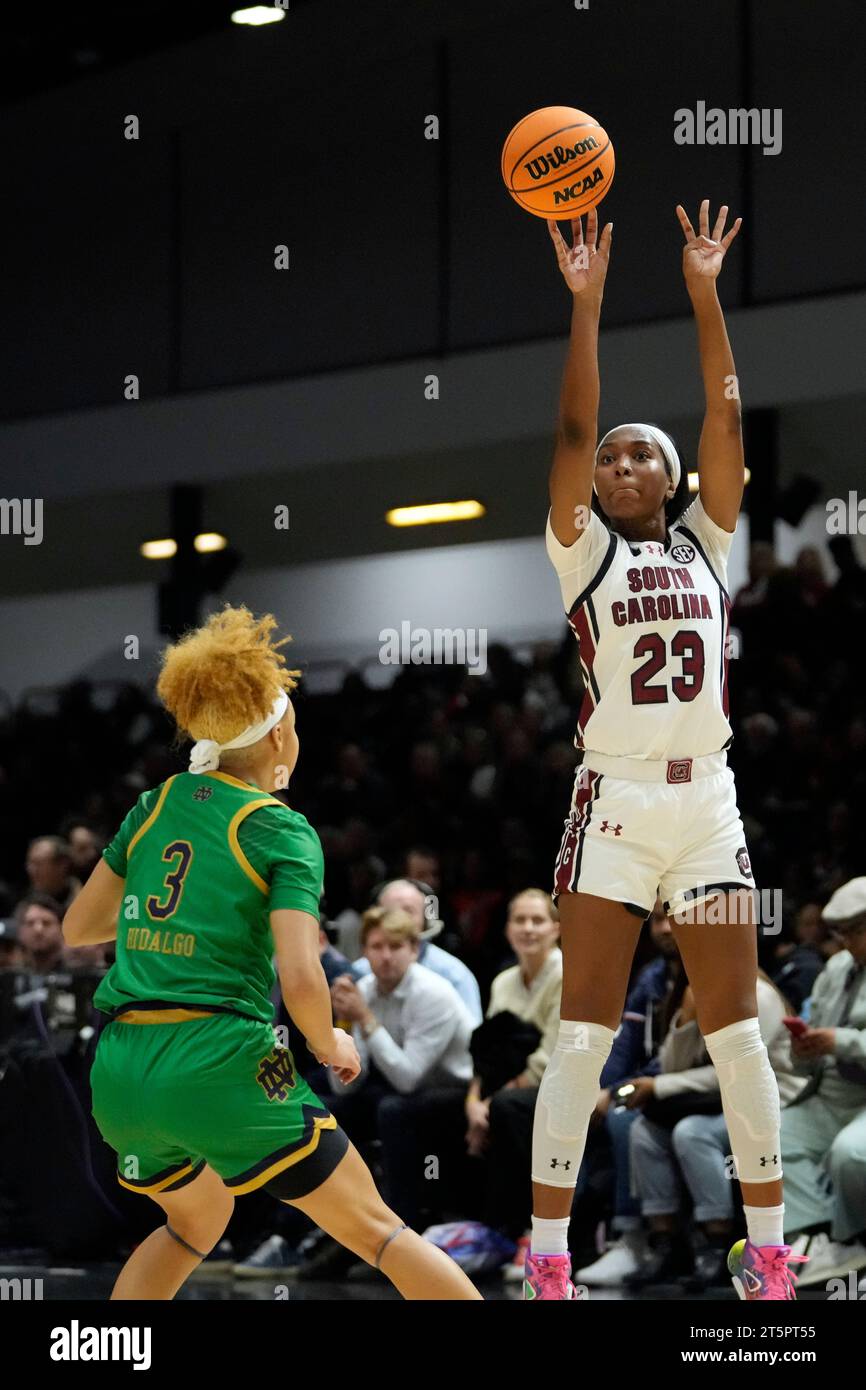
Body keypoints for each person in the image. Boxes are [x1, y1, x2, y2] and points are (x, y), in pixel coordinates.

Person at [526, 200, 807, 1301]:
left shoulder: (705, 543)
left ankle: (770, 1254)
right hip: (616, 803)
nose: (621, 460)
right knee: (583, 1038)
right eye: (610, 456)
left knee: (737, 1037)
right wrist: (586, 305)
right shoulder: (577, 551)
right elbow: (564, 428)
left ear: (672, 479)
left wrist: (702, 295)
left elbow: (727, 420)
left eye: (642, 451)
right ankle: (547, 1256)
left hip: (710, 807)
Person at [62, 605, 481, 1301]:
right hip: (216, 1062)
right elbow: (299, 971)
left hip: (122, 1072)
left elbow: (79, 927)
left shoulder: (154, 805)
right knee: (377, 1228)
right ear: (281, 732)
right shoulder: (279, 830)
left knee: (194, 1221)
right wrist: (331, 1045)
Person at [626, 970, 806, 1290]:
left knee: (692, 1132)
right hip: (716, 1104)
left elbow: (739, 1071)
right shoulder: (698, 988)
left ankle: (718, 1245)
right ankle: (666, 1244)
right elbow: (672, 1065)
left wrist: (660, 1086)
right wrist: (686, 1020)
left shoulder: (757, 996)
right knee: (644, 1131)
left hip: (769, 1104)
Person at [780, 877, 866, 1286]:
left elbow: (841, 1040)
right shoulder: (834, 969)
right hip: (830, 1092)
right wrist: (806, 1049)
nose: (847, 941)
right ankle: (821, 1238)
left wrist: (841, 1042)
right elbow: (814, 1034)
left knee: (851, 1153)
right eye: (841, 932)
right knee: (770, 1137)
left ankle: (854, 1238)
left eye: (857, 930)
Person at [352, 878, 483, 1026]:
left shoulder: (454, 974)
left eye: (408, 910)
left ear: (426, 919)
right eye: (390, 912)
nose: (399, 920)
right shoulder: (359, 972)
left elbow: (473, 1038)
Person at [25, 837, 81, 912]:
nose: (32, 870)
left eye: (38, 864)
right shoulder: (26, 904)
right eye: (30, 863)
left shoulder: (84, 898)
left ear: (62, 865)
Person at [15, 892, 66, 974]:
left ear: (61, 929)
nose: (38, 929)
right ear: (20, 931)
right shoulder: (10, 977)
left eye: (46, 923)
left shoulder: (80, 973)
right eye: (30, 923)